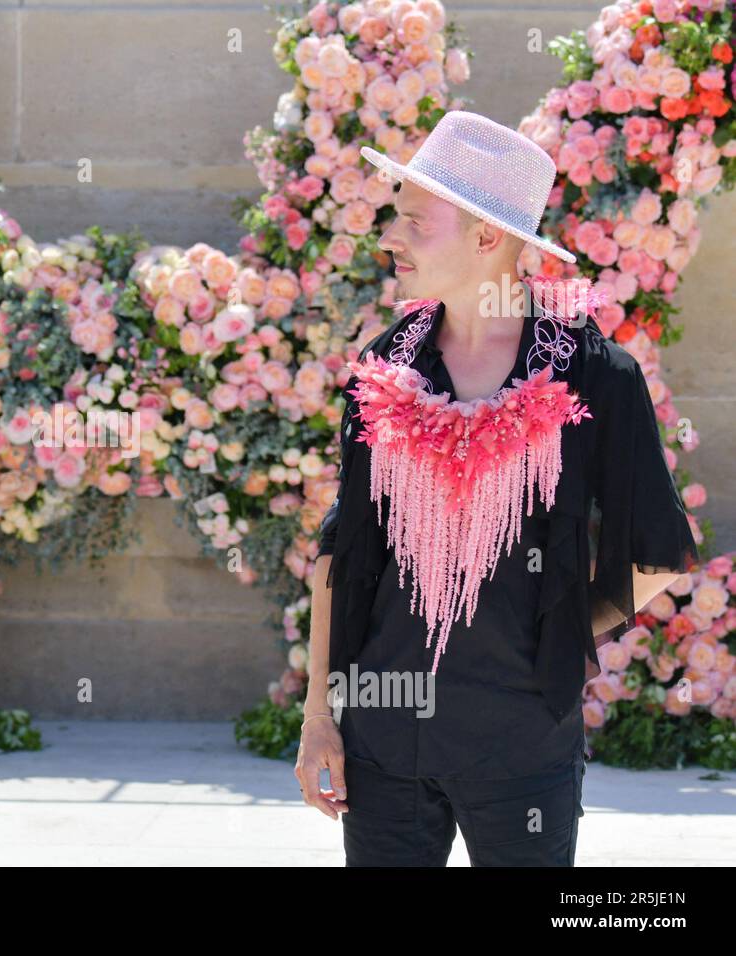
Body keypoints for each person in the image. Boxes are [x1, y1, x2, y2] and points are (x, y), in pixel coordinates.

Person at [294, 111, 699, 866]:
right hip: (382, 741)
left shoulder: (594, 375)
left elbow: (657, 553)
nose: (390, 237)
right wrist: (319, 713)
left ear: (487, 238)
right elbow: (341, 555)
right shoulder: (386, 367)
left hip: (519, 751)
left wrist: (562, 631)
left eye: (415, 221)